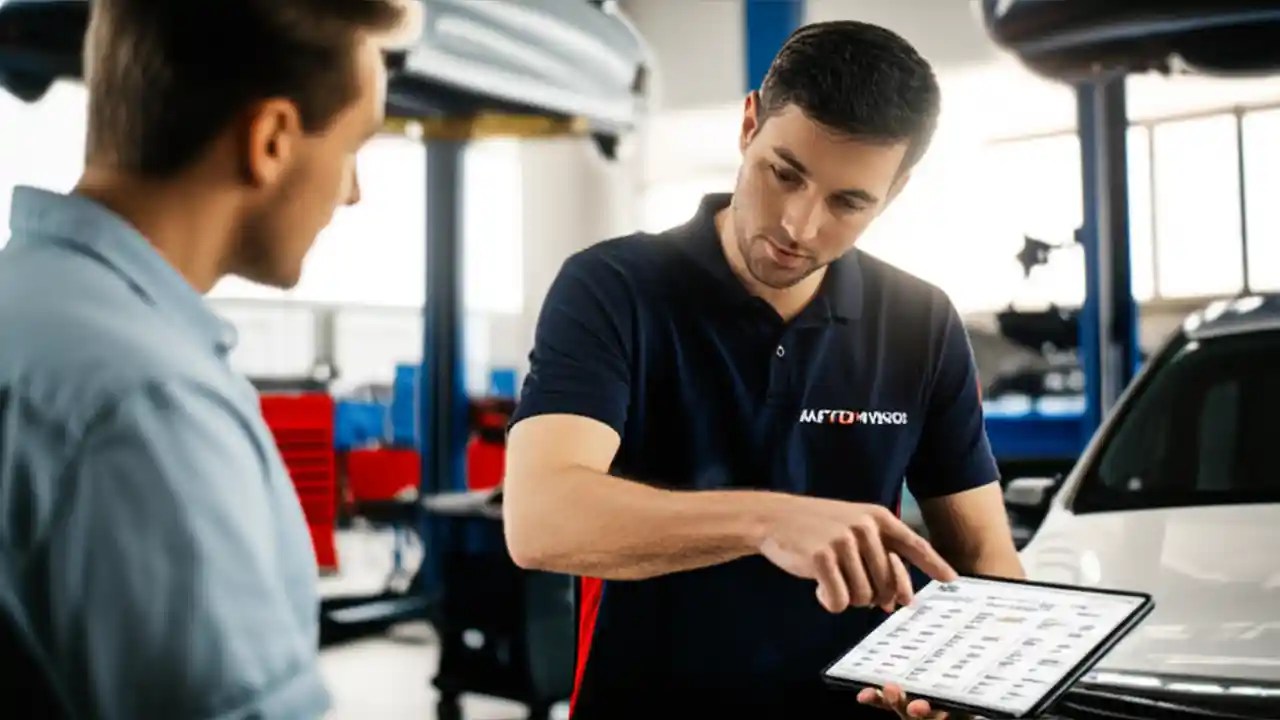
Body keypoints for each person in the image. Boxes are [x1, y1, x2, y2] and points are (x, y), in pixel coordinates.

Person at [504, 20, 1025, 720]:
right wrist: (767, 521)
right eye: (785, 174)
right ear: (750, 123)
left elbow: (985, 553)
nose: (799, 227)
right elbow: (540, 521)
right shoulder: (614, 288)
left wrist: (978, 687)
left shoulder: (921, 322)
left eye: (849, 202)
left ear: (895, 192)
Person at [0, 1, 416, 718]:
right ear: (273, 140)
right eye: (354, 146)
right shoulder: (146, 406)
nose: (353, 192)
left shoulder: (28, 310)